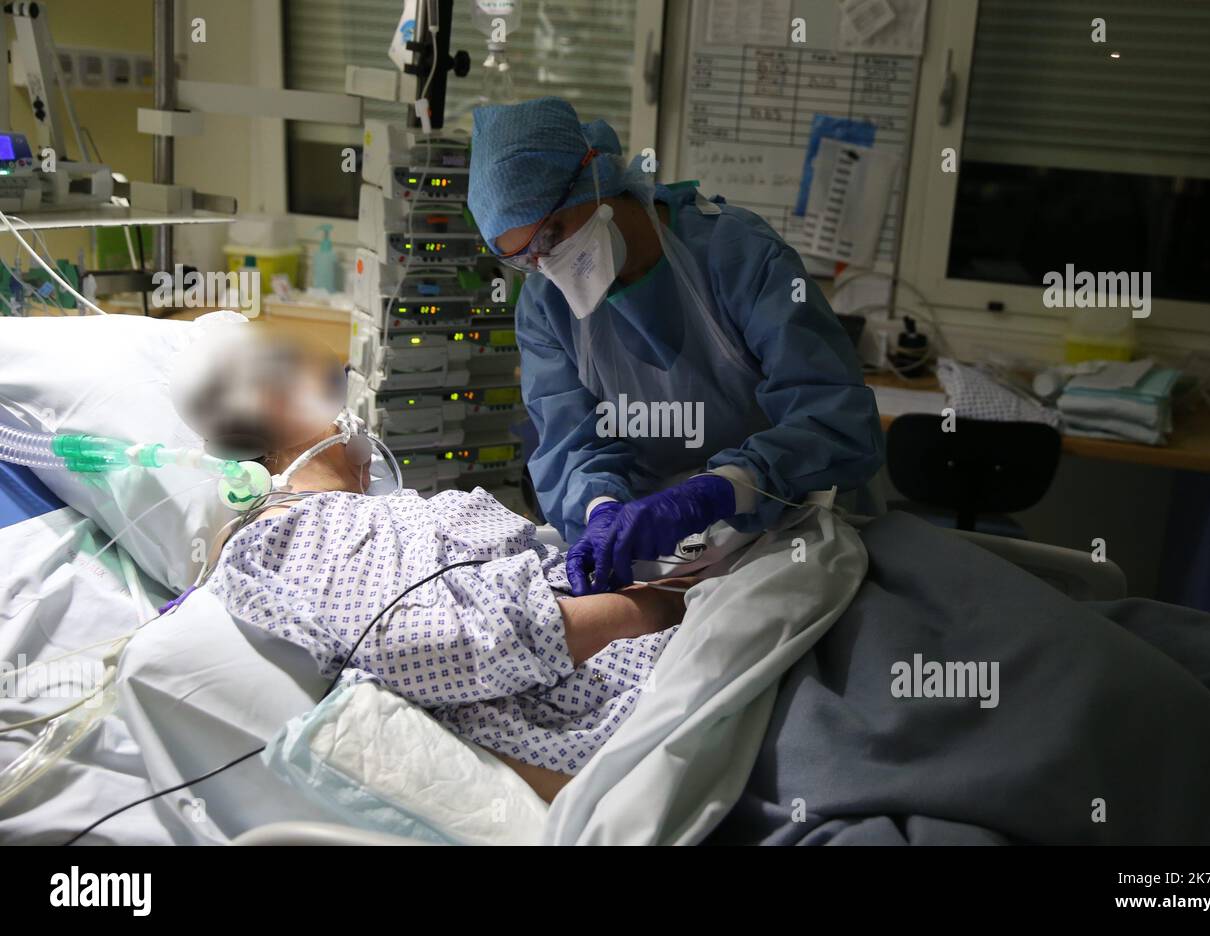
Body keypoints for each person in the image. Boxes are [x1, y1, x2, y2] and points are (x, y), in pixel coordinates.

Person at [193, 328, 689, 802]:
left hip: (657, 662)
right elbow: (457, 643)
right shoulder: (296, 529)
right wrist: (660, 605)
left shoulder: (367, 514)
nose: (346, 415)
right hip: (639, 695)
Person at [468, 97, 884, 595]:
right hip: (651, 543)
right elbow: (569, 441)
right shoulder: (545, 305)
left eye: (550, 236)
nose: (544, 265)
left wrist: (722, 490)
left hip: (787, 518)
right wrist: (600, 508)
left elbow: (832, 418)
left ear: (593, 177)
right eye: (522, 258)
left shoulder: (740, 257)